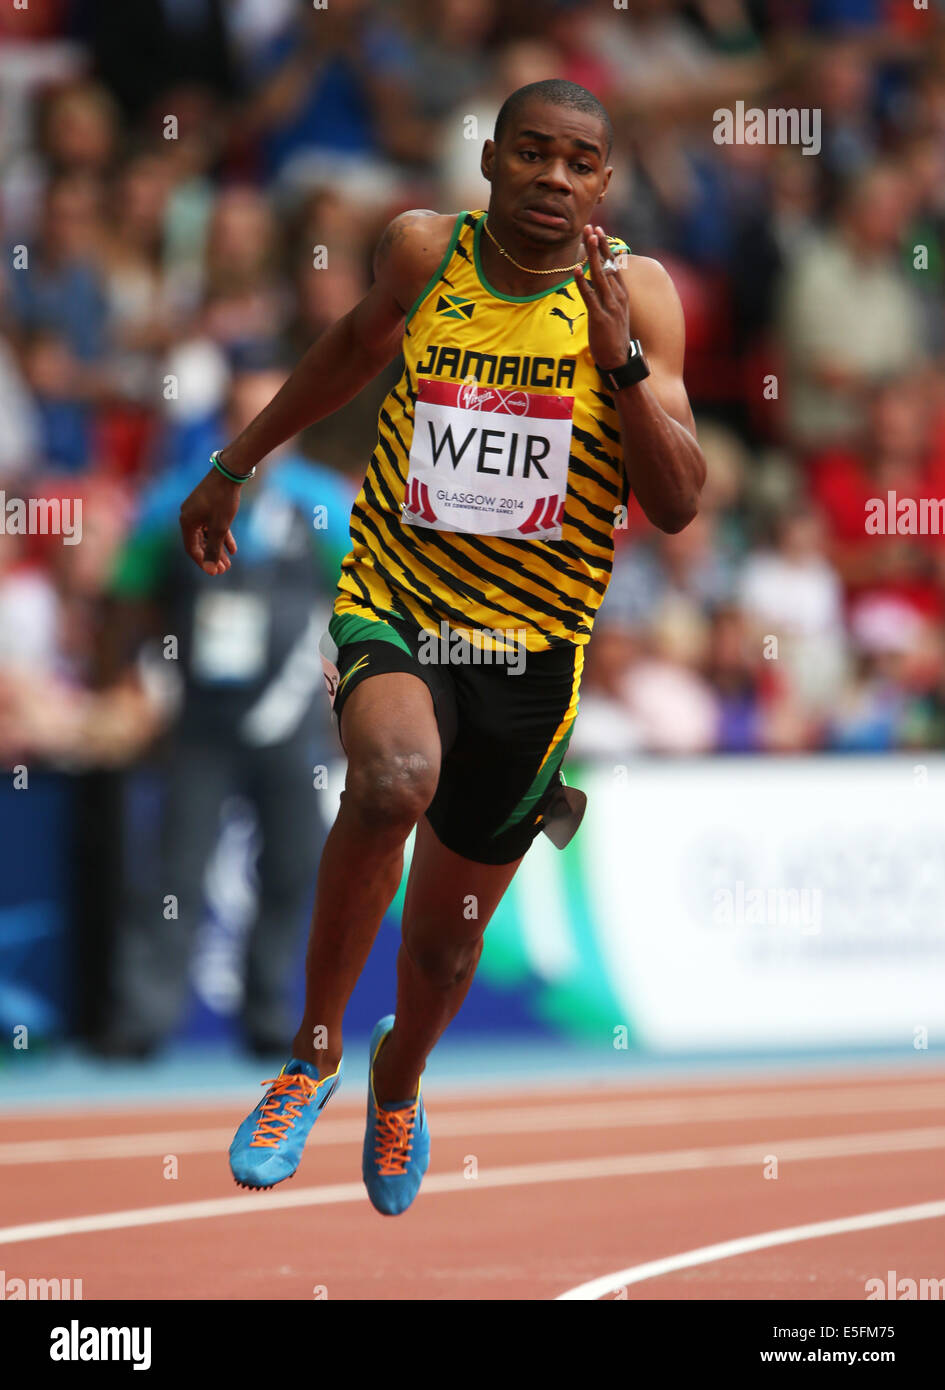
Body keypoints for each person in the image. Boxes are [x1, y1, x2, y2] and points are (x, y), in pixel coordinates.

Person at [178, 79, 706, 1215]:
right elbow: (347, 351)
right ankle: (311, 1053)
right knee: (390, 780)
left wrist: (617, 364)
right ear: (492, 164)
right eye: (531, 154)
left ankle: (398, 1073)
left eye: (578, 161)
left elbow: (677, 502)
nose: (552, 179)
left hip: (536, 652)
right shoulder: (426, 253)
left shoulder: (642, 296)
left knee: (446, 953)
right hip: (400, 606)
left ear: (604, 182)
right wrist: (234, 463)